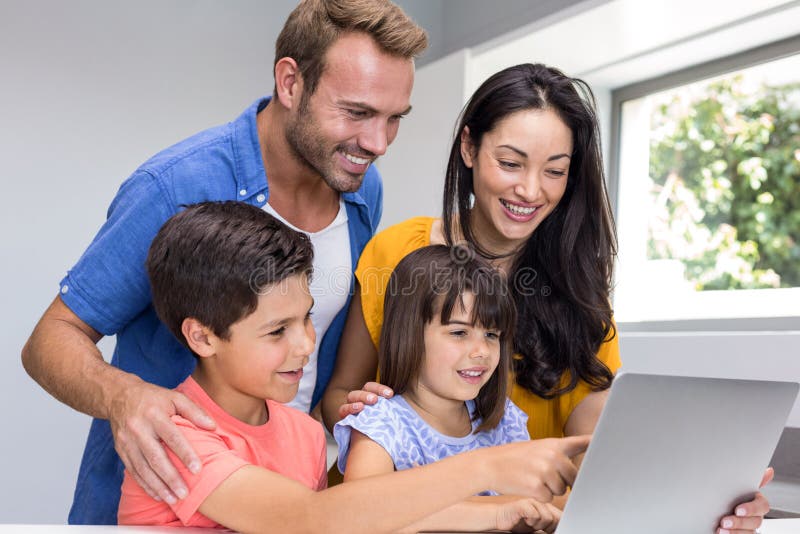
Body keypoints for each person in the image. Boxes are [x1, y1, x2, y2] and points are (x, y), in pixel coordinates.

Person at [21, 0, 427, 524]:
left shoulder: (361, 189)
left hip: (287, 497)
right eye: (356, 112)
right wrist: (124, 397)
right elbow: (50, 338)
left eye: (395, 119)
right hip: (170, 499)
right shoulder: (174, 187)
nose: (378, 143)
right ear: (290, 83)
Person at [321, 63, 772, 533]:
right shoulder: (396, 253)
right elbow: (338, 397)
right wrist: (367, 415)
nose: (530, 190)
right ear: (469, 147)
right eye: (510, 163)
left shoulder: (578, 290)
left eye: (554, 171)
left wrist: (702, 496)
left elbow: (598, 446)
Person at [118, 200, 591, 533]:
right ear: (202, 337)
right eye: (277, 330)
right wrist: (487, 469)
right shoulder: (171, 437)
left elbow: (360, 517)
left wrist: (499, 513)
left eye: (306, 318)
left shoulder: (304, 435)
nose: (306, 344)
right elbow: (312, 520)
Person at [334, 245, 562, 533]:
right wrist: (499, 511)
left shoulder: (504, 421)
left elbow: (547, 502)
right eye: (459, 332)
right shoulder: (381, 424)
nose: (482, 351)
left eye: (491, 334)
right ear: (409, 334)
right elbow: (360, 515)